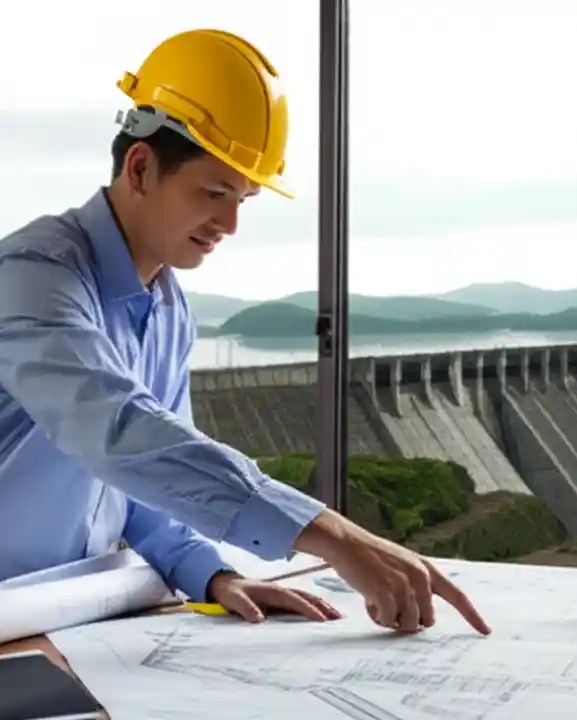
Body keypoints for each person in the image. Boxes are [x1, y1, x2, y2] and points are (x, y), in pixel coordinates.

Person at [0, 29, 490, 638]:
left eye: (244, 199)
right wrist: (332, 535)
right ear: (141, 167)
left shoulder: (169, 309)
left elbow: (150, 482)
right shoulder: (32, 276)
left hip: (65, 615)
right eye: (214, 193)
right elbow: (118, 433)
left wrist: (213, 575)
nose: (229, 223)